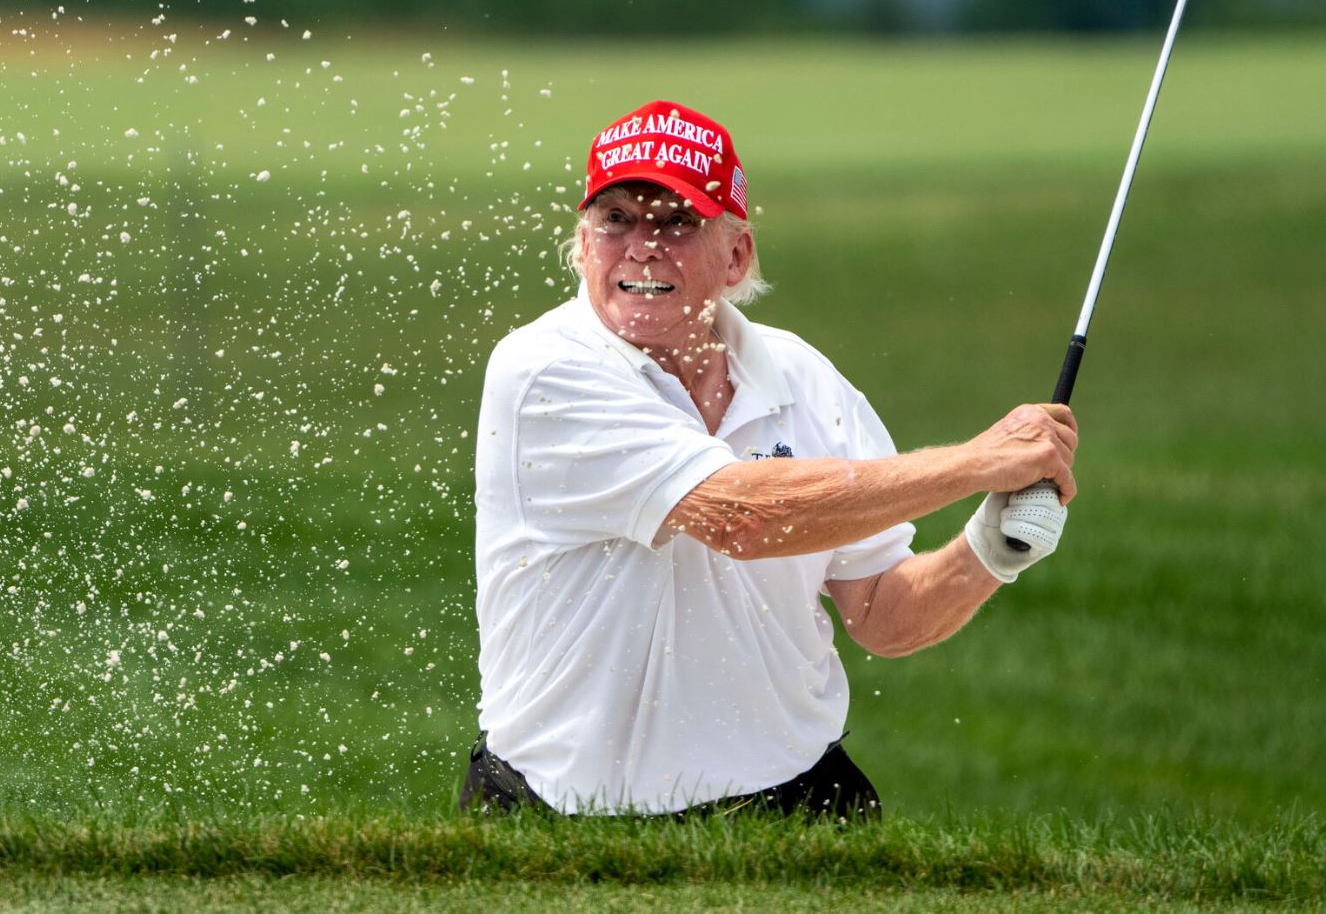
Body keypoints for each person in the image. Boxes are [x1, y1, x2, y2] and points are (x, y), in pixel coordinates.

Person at [461, 100, 1078, 821]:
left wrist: (991, 548)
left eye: (677, 221)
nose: (642, 246)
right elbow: (741, 516)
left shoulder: (801, 376)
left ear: (736, 256)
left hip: (798, 803)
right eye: (616, 218)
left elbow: (882, 612)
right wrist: (978, 463)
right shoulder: (544, 369)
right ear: (582, 243)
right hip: (568, 816)